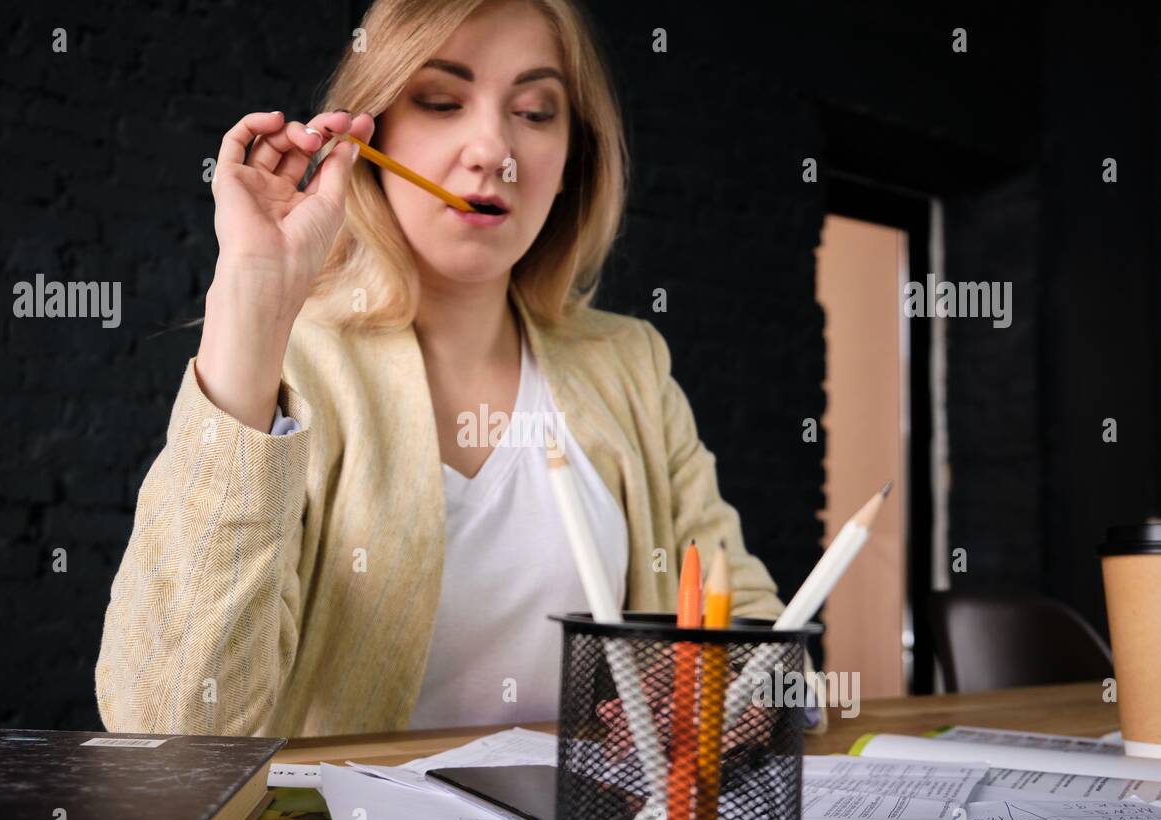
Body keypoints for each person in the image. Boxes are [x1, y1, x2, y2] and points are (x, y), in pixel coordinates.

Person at [95, 0, 803, 741]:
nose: (493, 150)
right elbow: (168, 724)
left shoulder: (628, 364)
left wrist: (735, 692)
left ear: (570, 164)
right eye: (440, 101)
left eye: (535, 112)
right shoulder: (289, 365)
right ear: (370, 138)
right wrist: (248, 307)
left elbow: (759, 631)